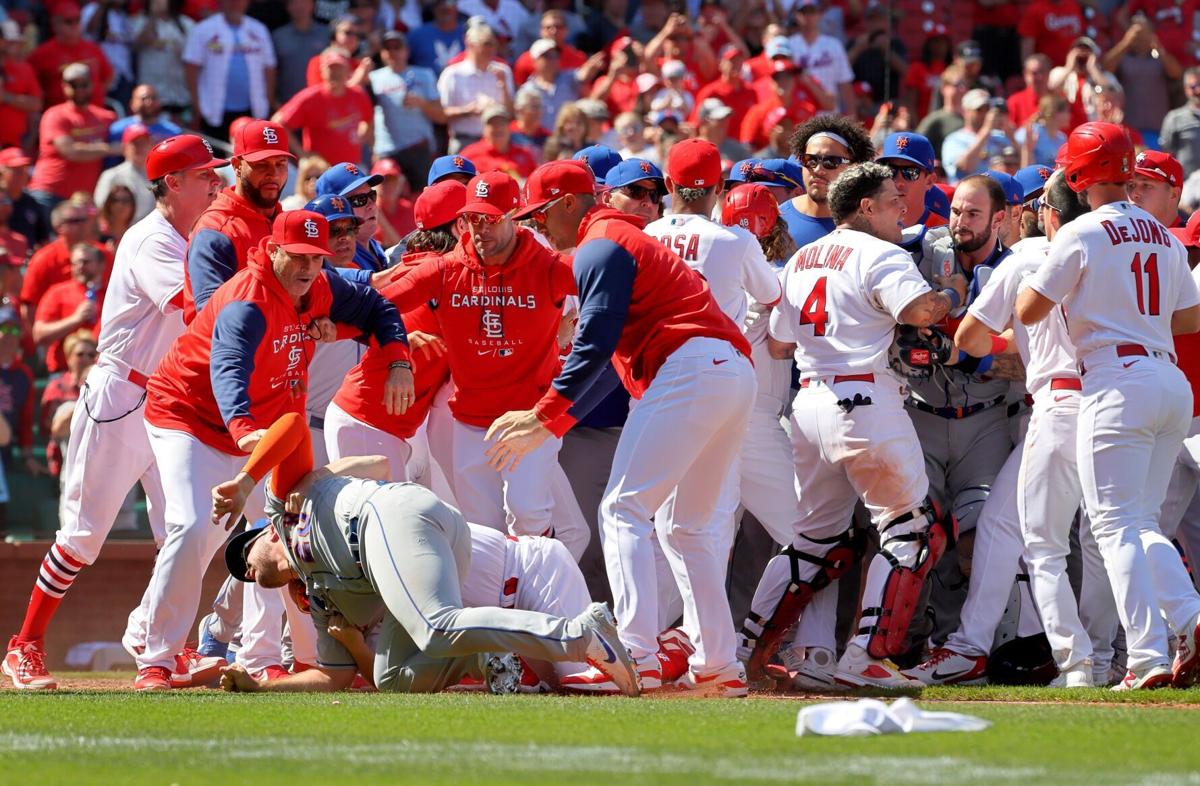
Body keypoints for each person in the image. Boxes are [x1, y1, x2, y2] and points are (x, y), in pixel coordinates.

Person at [488, 158, 756, 697]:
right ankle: (719, 664)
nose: (538, 226)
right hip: (727, 369)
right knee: (688, 528)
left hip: (693, 365)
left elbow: (596, 343)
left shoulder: (602, 241)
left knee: (622, 510)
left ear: (568, 203)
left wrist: (544, 416)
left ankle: (634, 655)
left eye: (541, 215)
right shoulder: (617, 238)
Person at [132, 209, 412, 691]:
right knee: (194, 525)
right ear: (273, 250)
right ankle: (156, 658)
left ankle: (263, 656)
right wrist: (242, 430)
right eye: (298, 257)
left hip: (266, 426)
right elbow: (228, 368)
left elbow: (375, 307)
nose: (308, 268)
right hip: (189, 417)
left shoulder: (318, 285)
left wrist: (398, 359)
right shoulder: (248, 300)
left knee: (284, 533)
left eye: (317, 258)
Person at [1, 136, 229, 692]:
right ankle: (23, 646)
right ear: (172, 183)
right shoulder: (150, 238)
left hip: (170, 399)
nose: (217, 182)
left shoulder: (197, 236)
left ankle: (161, 645)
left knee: (187, 530)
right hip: (120, 395)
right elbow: (197, 307)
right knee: (83, 536)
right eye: (205, 174)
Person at [210, 413, 638, 696]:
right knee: (391, 675)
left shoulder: (285, 506)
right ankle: (489, 656)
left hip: (400, 524)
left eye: (242, 552)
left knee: (435, 626)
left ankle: (580, 634)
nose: (243, 569)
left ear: (263, 533)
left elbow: (293, 425)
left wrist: (247, 482)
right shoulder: (320, 595)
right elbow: (334, 675)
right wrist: (260, 688)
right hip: (416, 551)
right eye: (241, 574)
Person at [740, 161, 964, 689]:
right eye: (892, 201)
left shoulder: (801, 258)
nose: (901, 209)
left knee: (815, 539)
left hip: (811, 401)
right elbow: (922, 312)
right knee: (910, 528)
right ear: (865, 206)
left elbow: (779, 342)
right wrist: (951, 292)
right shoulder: (882, 252)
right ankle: (865, 656)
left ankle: (745, 651)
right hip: (865, 400)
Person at [1016, 121, 1200, 690]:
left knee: (1114, 524)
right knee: (1140, 522)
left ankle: (1144, 657)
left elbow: (1026, 310)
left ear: (1077, 174)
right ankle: (1190, 618)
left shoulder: (1080, 232)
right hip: (1168, 380)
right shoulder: (1166, 235)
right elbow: (1189, 320)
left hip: (1116, 379)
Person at [915, 169, 1095, 688]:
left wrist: (980, 339)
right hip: (1125, 397)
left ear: (1045, 214)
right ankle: (1126, 651)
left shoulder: (1027, 256)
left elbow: (972, 338)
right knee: (1115, 535)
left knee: (1026, 535)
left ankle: (1064, 659)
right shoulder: (1119, 249)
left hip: (1060, 405)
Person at [380, 171, 577, 545]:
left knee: (529, 515)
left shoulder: (548, 267)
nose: (481, 229)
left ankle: (541, 602)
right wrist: (397, 343)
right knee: (482, 530)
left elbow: (616, 287)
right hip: (471, 421)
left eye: (491, 219)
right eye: (473, 219)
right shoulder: (446, 268)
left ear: (514, 216)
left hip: (530, 418)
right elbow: (380, 304)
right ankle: (501, 602)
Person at [184, 119, 295, 321]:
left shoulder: (283, 221)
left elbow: (325, 280)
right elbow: (211, 315)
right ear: (236, 166)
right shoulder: (216, 231)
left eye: (281, 163)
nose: (274, 173)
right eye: (262, 164)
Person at [27, 62, 119, 213]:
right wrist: (109, 149)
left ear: (92, 84)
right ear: (64, 86)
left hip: (85, 199)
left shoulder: (107, 117)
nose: (79, 90)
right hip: (50, 193)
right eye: (73, 85)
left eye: (84, 84)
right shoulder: (55, 115)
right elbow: (70, 151)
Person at [183, 0, 278, 141]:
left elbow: (269, 68)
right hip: (214, 111)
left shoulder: (259, 29)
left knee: (250, 157)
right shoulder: (203, 29)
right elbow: (191, 68)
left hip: (253, 109)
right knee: (218, 159)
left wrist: (268, 102)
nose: (235, 3)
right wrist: (197, 105)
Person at [779, 114, 876, 250]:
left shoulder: (871, 223)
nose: (818, 169)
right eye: (810, 160)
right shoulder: (778, 221)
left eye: (831, 161)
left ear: (854, 167)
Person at [17, 198, 112, 328]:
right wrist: (39, 344)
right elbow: (29, 306)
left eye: (86, 219)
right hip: (59, 340)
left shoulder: (104, 254)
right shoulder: (44, 259)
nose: (84, 224)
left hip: (99, 339)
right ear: (59, 227)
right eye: (76, 221)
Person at [371, 31, 443, 193]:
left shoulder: (424, 75)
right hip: (387, 150)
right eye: (387, 48)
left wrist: (422, 104)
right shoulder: (373, 78)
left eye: (397, 47)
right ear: (382, 53)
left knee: (422, 196)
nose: (393, 52)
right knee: (387, 200)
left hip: (418, 147)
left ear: (407, 50)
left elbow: (442, 116)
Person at [273, 51, 372, 167]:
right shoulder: (310, 97)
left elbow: (368, 119)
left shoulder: (358, 95)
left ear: (348, 71)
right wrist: (301, 153)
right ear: (322, 72)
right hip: (320, 170)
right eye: (331, 68)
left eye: (339, 68)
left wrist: (363, 135)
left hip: (351, 167)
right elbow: (277, 122)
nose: (335, 73)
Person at [437, 24, 514, 153]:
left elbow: (511, 113)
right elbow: (440, 114)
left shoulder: (503, 71)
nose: (492, 49)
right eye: (486, 44)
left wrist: (503, 86)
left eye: (494, 44)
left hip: (497, 143)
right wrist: (468, 111)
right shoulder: (452, 74)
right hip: (465, 141)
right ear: (470, 44)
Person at [33, 243, 104, 377]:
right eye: (75, 263)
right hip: (63, 372)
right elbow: (39, 335)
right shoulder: (57, 293)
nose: (80, 266)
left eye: (86, 262)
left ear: (101, 265)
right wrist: (75, 319)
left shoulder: (112, 294)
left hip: (101, 372)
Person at [28, 1, 114, 107]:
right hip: (59, 117)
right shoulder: (42, 53)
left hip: (94, 115)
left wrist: (95, 93)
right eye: (68, 21)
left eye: (77, 20)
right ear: (55, 24)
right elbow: (28, 83)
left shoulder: (93, 49)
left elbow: (109, 76)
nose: (74, 25)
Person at [39, 328, 97, 478]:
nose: (85, 359)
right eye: (80, 354)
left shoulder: (99, 386)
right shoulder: (57, 386)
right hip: (64, 454)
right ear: (69, 358)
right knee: (69, 408)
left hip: (96, 451)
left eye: (91, 355)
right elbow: (51, 428)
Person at [786, 0, 855, 115]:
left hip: (829, 114)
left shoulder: (833, 44)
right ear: (797, 16)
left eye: (812, 12)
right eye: (804, 13)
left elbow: (844, 82)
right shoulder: (788, 45)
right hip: (799, 114)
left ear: (819, 14)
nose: (808, 17)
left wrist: (852, 114)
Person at [131, 0, 195, 116]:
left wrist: (182, 53)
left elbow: (194, 57)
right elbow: (137, 46)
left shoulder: (186, 23)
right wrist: (153, 17)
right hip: (151, 96)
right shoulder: (141, 20)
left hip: (180, 94)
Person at [942, 89, 1017, 183]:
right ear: (965, 112)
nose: (984, 114)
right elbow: (963, 168)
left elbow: (1020, 163)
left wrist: (1011, 135)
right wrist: (986, 130)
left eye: (987, 109)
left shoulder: (1000, 136)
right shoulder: (954, 140)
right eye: (979, 110)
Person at [270, 0, 328, 106]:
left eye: (304, 2)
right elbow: (271, 71)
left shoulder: (326, 34)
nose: (299, 6)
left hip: (321, 103)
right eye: (294, 2)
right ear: (287, 7)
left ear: (313, 4)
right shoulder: (278, 36)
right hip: (287, 103)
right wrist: (273, 101)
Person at [95, 123, 155, 222]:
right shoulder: (111, 175)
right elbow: (101, 207)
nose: (139, 147)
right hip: (122, 232)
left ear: (151, 145)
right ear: (124, 148)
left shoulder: (159, 176)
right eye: (135, 143)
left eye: (143, 143)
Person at [0, 19, 44, 151]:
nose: (14, 46)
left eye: (16, 42)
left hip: (14, 145)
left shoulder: (25, 69)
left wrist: (6, 97)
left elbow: (36, 104)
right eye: (9, 41)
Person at [460, 106, 538, 180]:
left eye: (502, 123)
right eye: (492, 124)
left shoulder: (524, 154)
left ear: (509, 127)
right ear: (483, 129)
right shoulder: (469, 155)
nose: (498, 128)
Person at [0, 148, 49, 250]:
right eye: (16, 170)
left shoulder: (30, 202)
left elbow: (43, 239)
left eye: (25, 169)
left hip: (25, 260)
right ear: (2, 172)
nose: (22, 174)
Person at [1126, 150, 1185, 229]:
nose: (1134, 194)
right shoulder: (1120, 236)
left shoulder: (1191, 239)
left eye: (1146, 186)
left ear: (1174, 194)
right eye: (1131, 185)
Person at [109, 84, 184, 145]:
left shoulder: (173, 132)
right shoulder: (118, 129)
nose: (149, 102)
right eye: (143, 98)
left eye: (153, 98)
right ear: (132, 103)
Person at [1160, 67, 1200, 178]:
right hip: (1186, 187)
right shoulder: (1174, 118)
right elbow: (1166, 154)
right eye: (1193, 87)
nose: (1198, 90)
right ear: (1185, 89)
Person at [407, 0, 464, 75]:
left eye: (449, 3)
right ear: (433, 8)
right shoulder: (416, 35)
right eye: (439, 4)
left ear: (456, 6)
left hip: (465, 84)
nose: (444, 7)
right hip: (426, 85)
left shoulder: (468, 33)